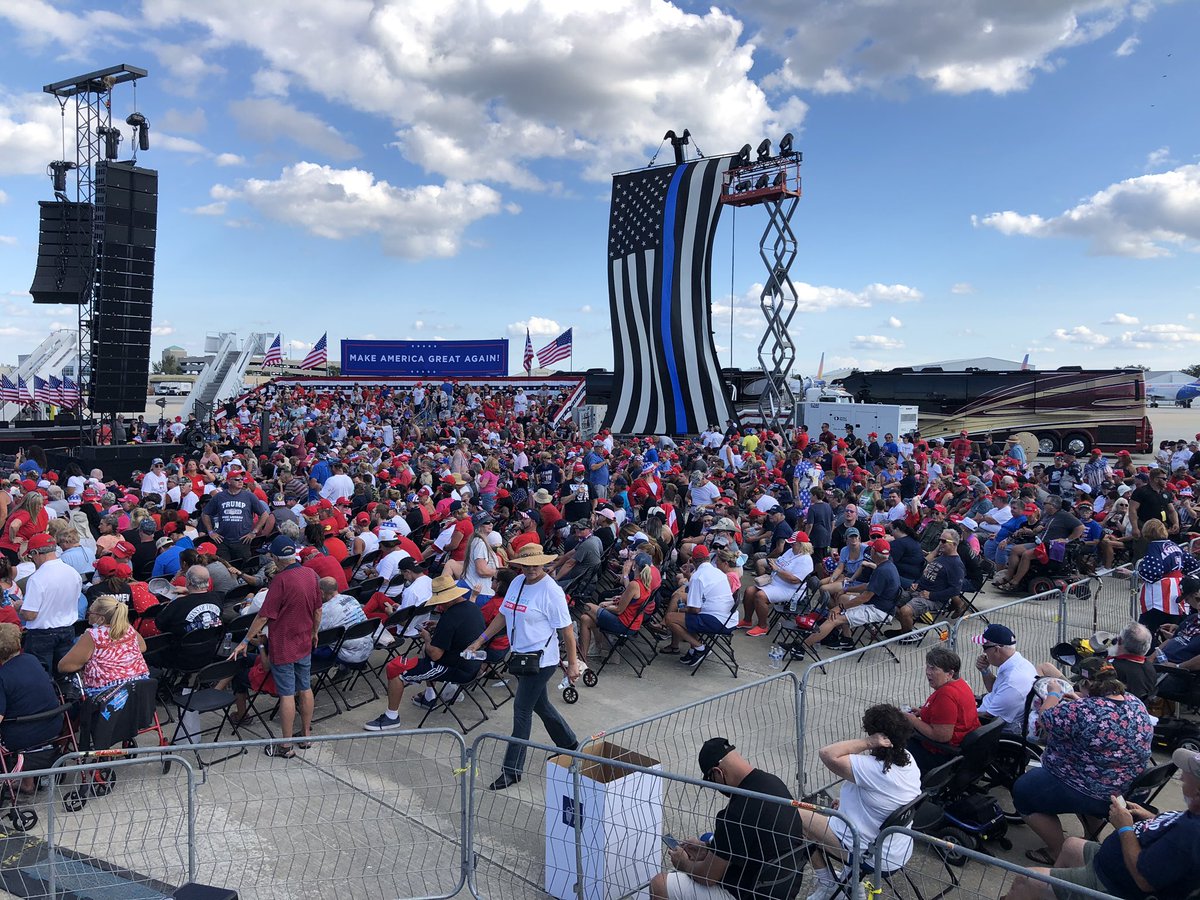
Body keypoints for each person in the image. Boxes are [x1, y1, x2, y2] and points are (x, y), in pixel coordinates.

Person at [1003, 747, 1200, 900]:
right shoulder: (1193, 816)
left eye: (1187, 775)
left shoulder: (1192, 832)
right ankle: (1056, 892)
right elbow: (1171, 834)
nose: (1181, 776)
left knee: (1027, 879)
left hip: (1116, 885)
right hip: (1112, 864)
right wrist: (1149, 818)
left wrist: (1124, 827)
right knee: (1071, 845)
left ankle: (1040, 891)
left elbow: (1144, 878)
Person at [463, 543, 579, 791]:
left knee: (522, 710)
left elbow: (567, 632)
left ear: (543, 563)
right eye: (526, 565)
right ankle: (570, 745)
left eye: (535, 564)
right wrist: (479, 641)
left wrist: (571, 664)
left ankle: (511, 770)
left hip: (542, 661)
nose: (531, 569)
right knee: (542, 705)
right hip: (521, 657)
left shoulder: (552, 591)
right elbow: (503, 615)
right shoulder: (517, 583)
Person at [1014, 661, 1154, 864]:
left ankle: (1058, 852)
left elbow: (1045, 718)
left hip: (1091, 790)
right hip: (1123, 787)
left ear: (1087, 682)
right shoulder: (1135, 703)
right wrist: (1081, 700)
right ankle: (1089, 840)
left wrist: (1054, 693)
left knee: (1023, 791)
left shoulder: (1084, 709)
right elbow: (1099, 714)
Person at [648, 739, 804, 900]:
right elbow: (748, 843)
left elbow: (706, 877)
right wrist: (708, 848)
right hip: (779, 888)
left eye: (712, 781)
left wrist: (684, 863)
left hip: (748, 893)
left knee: (660, 884)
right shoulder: (774, 784)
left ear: (718, 772)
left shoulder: (736, 812)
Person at [798, 705, 922, 900]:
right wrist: (846, 801)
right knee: (820, 819)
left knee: (795, 815)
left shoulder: (873, 769)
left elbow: (827, 753)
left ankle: (827, 882)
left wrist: (868, 742)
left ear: (878, 737)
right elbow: (878, 798)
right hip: (898, 850)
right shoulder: (908, 760)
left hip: (871, 856)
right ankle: (850, 882)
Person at [231, 535, 323, 758]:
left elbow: (263, 617)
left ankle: (286, 745)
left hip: (284, 644)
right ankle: (306, 735)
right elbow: (318, 610)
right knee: (305, 687)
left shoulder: (280, 581)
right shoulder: (310, 573)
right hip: (304, 640)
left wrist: (245, 641)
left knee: (287, 694)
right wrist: (314, 632)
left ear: (276, 558)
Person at [363, 573, 484, 730]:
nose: (439, 606)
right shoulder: (471, 607)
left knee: (395, 667)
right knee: (424, 651)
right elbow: (459, 630)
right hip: (473, 664)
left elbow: (435, 654)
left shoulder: (450, 617)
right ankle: (429, 697)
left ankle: (391, 717)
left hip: (456, 669)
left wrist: (427, 637)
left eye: (440, 602)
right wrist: (438, 625)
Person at [801, 539, 900, 653]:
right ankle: (847, 639)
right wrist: (847, 589)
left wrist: (840, 608)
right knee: (842, 598)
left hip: (879, 610)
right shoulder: (887, 566)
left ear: (873, 551)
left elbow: (864, 597)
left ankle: (801, 647)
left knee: (834, 617)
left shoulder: (882, 571)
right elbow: (867, 586)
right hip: (877, 604)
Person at [0, 622, 63, 791]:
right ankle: (27, 782)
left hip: (22, 735)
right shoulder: (32, 660)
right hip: (53, 724)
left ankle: (20, 780)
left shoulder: (2, 676)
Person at [902, 647, 980, 773]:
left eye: (933, 668)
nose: (928, 672)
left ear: (949, 674)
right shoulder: (960, 684)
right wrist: (922, 712)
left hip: (942, 755)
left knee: (895, 740)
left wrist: (912, 719)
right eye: (927, 667)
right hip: (965, 746)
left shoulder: (946, 695)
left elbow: (941, 736)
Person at [57, 595, 149, 697]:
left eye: (90, 613)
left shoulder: (93, 635)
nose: (88, 615)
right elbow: (142, 647)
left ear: (101, 618)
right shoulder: (127, 628)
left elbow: (64, 666)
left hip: (107, 695)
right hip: (140, 689)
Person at [577, 551, 658, 667]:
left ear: (634, 566)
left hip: (623, 623)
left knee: (588, 607)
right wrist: (613, 602)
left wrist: (605, 607)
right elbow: (631, 600)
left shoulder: (634, 584)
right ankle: (583, 658)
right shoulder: (645, 582)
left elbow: (619, 610)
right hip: (631, 622)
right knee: (585, 619)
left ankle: (597, 647)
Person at [662, 546, 738, 667]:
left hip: (717, 621)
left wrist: (682, 609)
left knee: (671, 618)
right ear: (708, 558)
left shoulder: (698, 577)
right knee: (685, 616)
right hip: (729, 618)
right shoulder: (718, 572)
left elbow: (695, 610)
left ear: (692, 560)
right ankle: (693, 649)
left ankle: (700, 648)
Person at [20, 532, 83, 673]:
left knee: (40, 676)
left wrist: (21, 608)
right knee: (64, 675)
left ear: (36, 553)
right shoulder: (72, 573)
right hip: (67, 630)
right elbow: (75, 598)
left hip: (41, 635)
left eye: (31, 555)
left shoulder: (37, 578)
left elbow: (30, 615)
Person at [889, 529, 965, 638]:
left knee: (905, 611)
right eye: (940, 540)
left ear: (954, 544)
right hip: (919, 591)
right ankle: (907, 628)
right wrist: (917, 584)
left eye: (944, 541)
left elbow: (955, 590)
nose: (940, 544)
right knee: (888, 598)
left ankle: (906, 634)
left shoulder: (956, 564)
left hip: (933, 599)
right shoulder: (941, 557)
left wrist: (931, 595)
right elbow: (929, 575)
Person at [741, 532, 814, 636]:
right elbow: (779, 561)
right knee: (749, 591)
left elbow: (795, 580)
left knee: (760, 596)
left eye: (794, 544)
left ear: (802, 545)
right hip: (776, 582)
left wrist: (778, 570)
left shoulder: (806, 560)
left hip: (790, 589)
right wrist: (772, 563)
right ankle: (747, 620)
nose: (791, 545)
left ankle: (763, 626)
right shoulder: (791, 551)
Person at [973, 624, 1038, 733]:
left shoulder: (1012, 681)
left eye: (985, 647)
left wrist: (962, 712)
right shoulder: (1018, 663)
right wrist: (985, 671)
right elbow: (995, 690)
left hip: (991, 728)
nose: (984, 652)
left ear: (997, 650)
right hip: (989, 711)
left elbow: (990, 717)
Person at [200, 470, 273, 565]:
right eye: (237, 479)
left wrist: (254, 532)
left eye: (242, 479)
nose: (240, 481)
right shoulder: (219, 497)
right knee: (225, 568)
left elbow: (264, 514)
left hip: (243, 541)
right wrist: (210, 531)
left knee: (245, 567)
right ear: (229, 481)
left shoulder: (249, 496)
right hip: (223, 540)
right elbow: (205, 513)